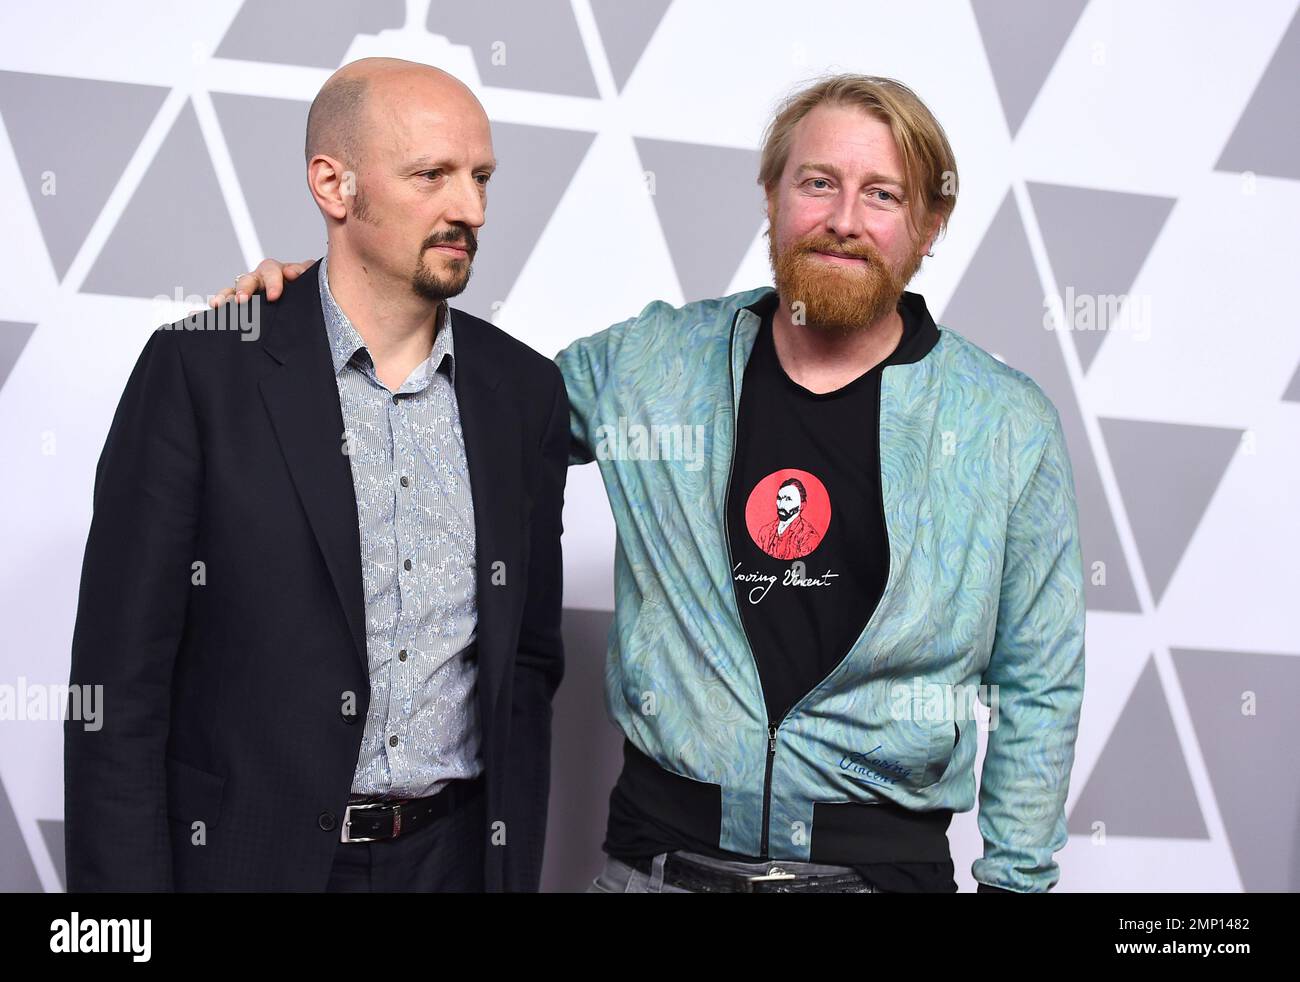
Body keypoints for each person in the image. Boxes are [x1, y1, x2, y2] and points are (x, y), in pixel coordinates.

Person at [219, 74, 1085, 893]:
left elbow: (1038, 684)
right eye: (817, 183)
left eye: (884, 194)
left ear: (930, 225)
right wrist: (329, 298)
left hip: (883, 876)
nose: (844, 219)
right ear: (774, 202)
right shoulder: (652, 366)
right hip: (657, 867)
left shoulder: (1004, 426)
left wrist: (1014, 886)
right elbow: (468, 410)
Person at [65, 58, 568, 892]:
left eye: (480, 177)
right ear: (334, 186)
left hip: (452, 862)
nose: (470, 209)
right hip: (246, 862)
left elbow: (527, 664)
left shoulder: (525, 394)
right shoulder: (202, 370)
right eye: (432, 175)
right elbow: (119, 688)